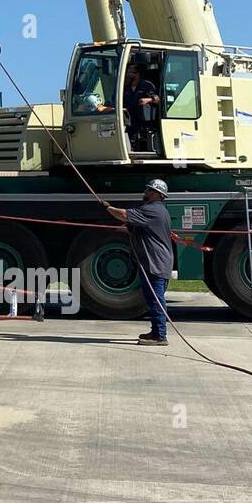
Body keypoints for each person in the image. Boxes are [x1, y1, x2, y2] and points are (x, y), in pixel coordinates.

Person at [101, 178, 174, 345]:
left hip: (155, 262)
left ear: (156, 194)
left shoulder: (152, 210)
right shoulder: (160, 210)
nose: (145, 192)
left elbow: (124, 214)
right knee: (153, 298)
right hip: (157, 261)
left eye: (148, 190)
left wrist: (108, 207)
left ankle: (160, 336)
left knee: (156, 299)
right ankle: (156, 331)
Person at [122, 63, 160, 150]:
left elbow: (157, 99)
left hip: (143, 119)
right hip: (128, 118)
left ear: (138, 73)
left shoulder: (146, 85)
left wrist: (147, 100)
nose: (129, 75)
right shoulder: (124, 87)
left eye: (132, 72)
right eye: (128, 72)